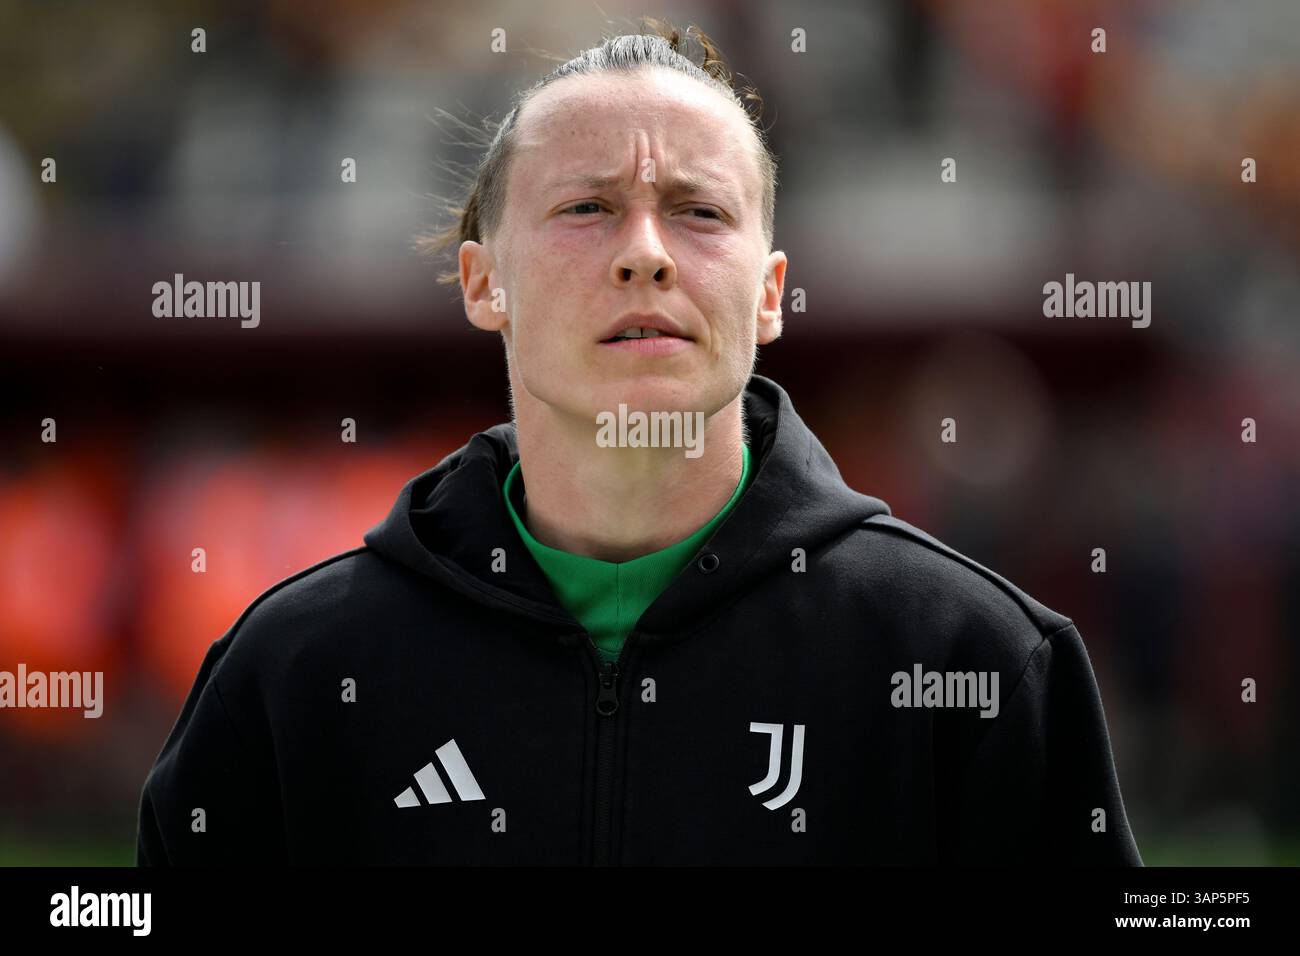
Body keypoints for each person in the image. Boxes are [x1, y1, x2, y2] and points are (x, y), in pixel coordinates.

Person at [137, 20, 1142, 865]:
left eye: (699, 211)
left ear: (769, 290)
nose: (646, 256)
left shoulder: (974, 654)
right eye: (587, 208)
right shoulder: (294, 671)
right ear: (483, 281)